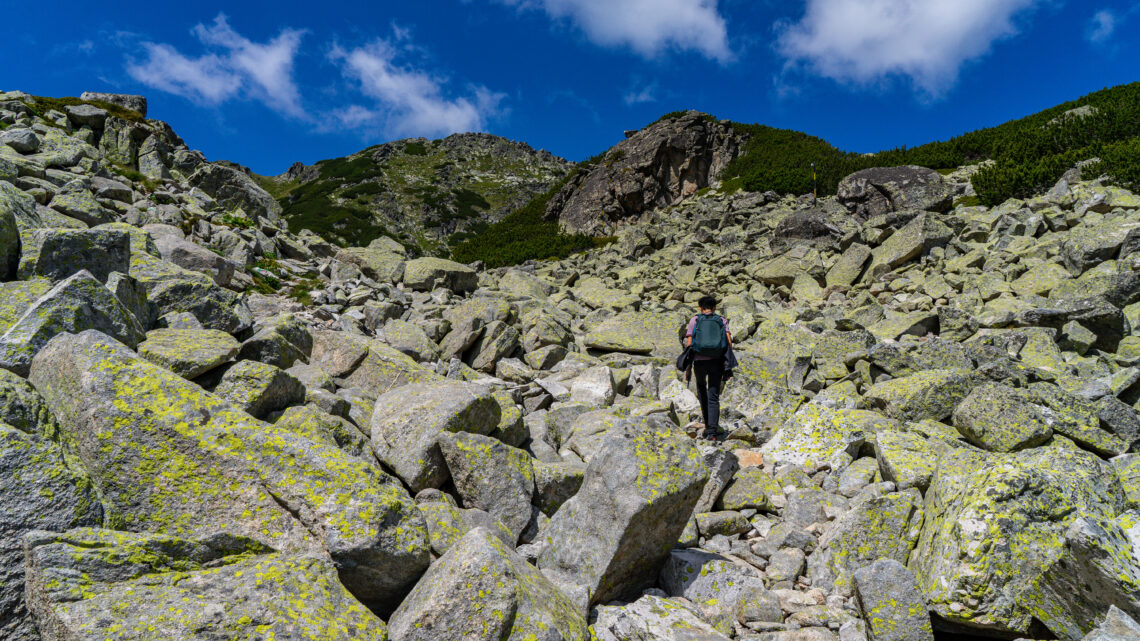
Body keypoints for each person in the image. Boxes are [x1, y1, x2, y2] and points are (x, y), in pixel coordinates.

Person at [684, 295, 732, 441]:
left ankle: (707, 423)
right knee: (714, 395)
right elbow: (729, 343)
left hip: (699, 362)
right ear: (714, 308)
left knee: (701, 391)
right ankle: (712, 432)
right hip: (716, 362)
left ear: (700, 307)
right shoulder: (721, 320)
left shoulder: (695, 320)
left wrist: (687, 368)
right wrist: (727, 365)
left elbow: (689, 343)